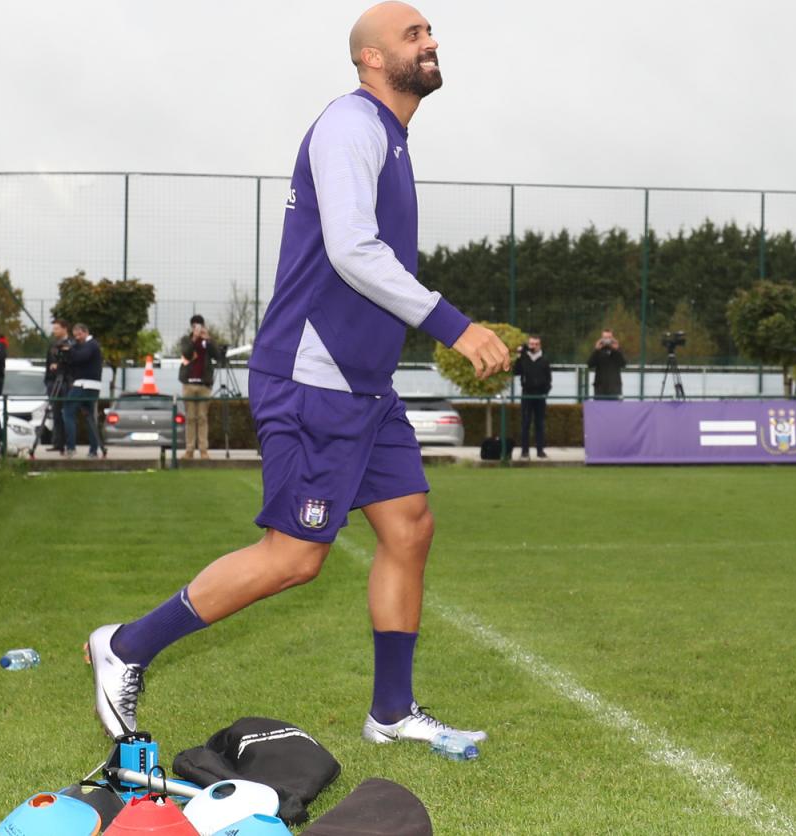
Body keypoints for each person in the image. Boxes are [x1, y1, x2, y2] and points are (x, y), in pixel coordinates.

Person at [86, 2, 509, 749]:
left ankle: (391, 711)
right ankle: (124, 646)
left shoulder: (390, 137)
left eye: (430, 30)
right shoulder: (353, 125)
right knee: (293, 558)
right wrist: (455, 323)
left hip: (364, 387)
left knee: (408, 527)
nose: (432, 41)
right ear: (373, 59)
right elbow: (353, 250)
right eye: (414, 34)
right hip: (314, 377)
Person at [177, 314, 225, 459]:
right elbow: (186, 353)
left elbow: (218, 356)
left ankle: (203, 450)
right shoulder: (187, 340)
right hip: (189, 384)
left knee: (202, 417)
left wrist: (208, 340)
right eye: (195, 326)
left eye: (199, 326)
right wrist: (194, 339)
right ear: (191, 327)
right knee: (190, 418)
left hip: (204, 385)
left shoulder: (207, 341)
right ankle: (189, 449)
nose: (197, 328)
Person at [60, 323, 105, 458]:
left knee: (68, 411)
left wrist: (69, 350)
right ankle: (93, 450)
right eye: (75, 336)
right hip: (91, 386)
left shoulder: (91, 345)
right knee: (89, 417)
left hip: (83, 385)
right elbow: (75, 360)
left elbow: (81, 357)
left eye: (79, 335)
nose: (77, 338)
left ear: (86, 332)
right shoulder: (85, 346)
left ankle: (71, 447)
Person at [512, 334, 552, 459]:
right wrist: (519, 356)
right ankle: (525, 451)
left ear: (539, 345)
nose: (533, 346)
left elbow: (548, 378)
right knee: (525, 423)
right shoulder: (524, 358)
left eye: (535, 344)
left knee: (539, 423)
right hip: (527, 394)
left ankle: (540, 450)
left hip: (540, 395)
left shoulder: (544, 360)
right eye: (531, 344)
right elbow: (516, 372)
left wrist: (545, 392)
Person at [45, 319, 74, 453]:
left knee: (67, 413)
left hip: (67, 382)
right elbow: (48, 364)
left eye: (57, 328)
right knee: (56, 413)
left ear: (64, 329)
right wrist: (48, 381)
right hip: (54, 382)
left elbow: (73, 362)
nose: (54, 331)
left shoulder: (72, 344)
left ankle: (70, 444)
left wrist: (61, 366)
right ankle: (58, 442)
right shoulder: (53, 345)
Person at [587, 329, 627, 399]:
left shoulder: (617, 350)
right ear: (601, 339)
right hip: (600, 388)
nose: (607, 340)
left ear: (613, 338)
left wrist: (616, 350)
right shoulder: (598, 351)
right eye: (605, 338)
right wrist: (596, 350)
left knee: (615, 409)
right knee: (599, 408)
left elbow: (623, 364)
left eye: (609, 338)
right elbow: (590, 364)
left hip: (614, 388)